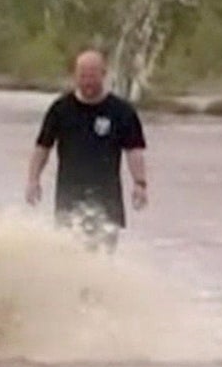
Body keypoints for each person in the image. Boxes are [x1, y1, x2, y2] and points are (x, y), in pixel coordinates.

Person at [25, 50, 148, 253]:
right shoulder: (60, 109)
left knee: (103, 254)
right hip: (69, 196)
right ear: (75, 76)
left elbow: (134, 150)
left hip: (107, 198)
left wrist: (140, 183)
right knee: (70, 254)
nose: (87, 81)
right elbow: (42, 147)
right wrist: (33, 180)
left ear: (104, 74)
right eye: (82, 76)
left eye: (92, 75)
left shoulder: (121, 111)